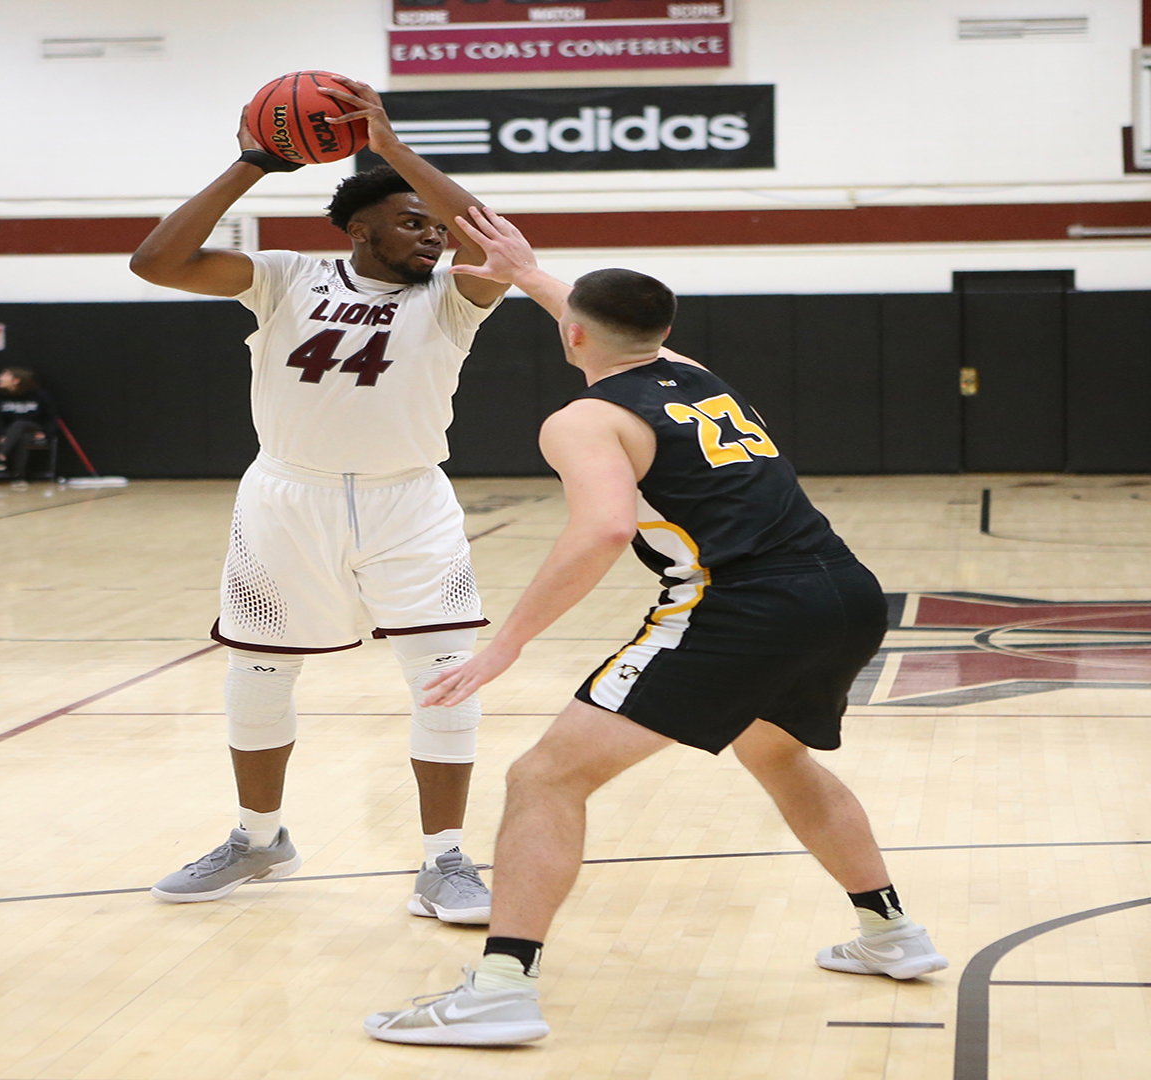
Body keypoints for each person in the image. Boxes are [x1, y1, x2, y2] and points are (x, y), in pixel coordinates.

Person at [362, 209, 947, 1047]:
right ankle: (893, 934)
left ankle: (500, 989)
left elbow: (601, 531)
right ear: (663, 332)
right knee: (777, 751)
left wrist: (507, 643)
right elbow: (604, 319)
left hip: (738, 608)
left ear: (571, 336)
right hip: (846, 591)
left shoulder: (583, 420)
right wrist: (529, 271)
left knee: (544, 779)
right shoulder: (698, 374)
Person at [129, 78, 510, 920]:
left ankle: (445, 861)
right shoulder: (283, 275)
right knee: (260, 672)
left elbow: (495, 241)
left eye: (439, 228)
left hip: (407, 503)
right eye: (413, 221)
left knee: (447, 677)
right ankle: (257, 839)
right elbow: (154, 263)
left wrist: (394, 148)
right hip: (285, 499)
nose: (433, 238)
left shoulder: (453, 297)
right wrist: (251, 163)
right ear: (359, 226)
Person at [0, 368, 57, 482]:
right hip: (13, 432)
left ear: (16, 380)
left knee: (20, 423)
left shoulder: (39, 395)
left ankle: (0, 456)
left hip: (35, 427)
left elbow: (50, 417)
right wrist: (2, 434)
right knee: (24, 436)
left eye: (4, 375)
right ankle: (19, 475)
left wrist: (46, 433)